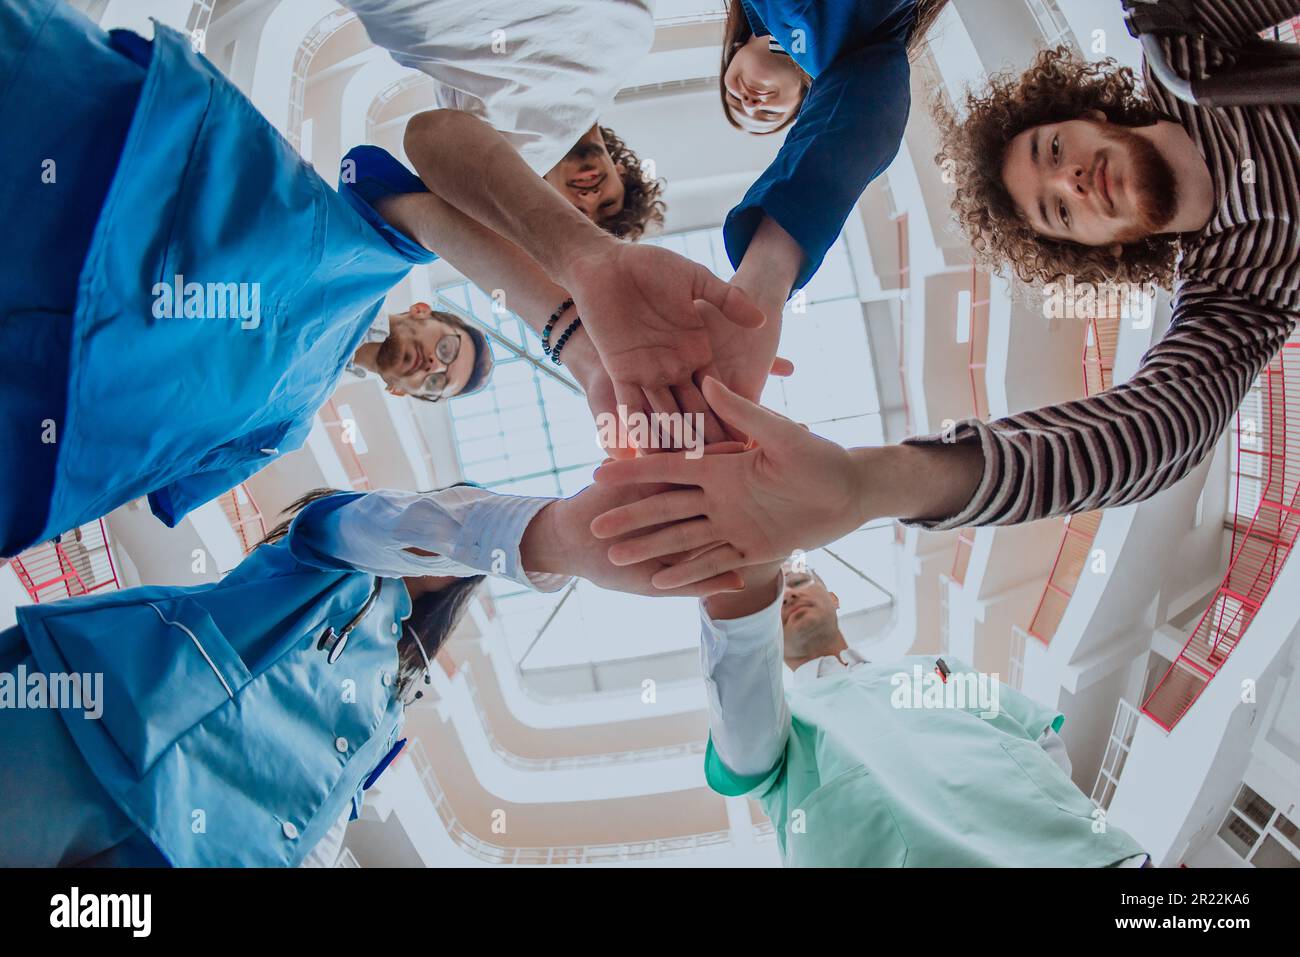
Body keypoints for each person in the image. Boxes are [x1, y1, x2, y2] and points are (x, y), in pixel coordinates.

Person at [584, 0, 1300, 585]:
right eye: (1058, 212)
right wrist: (874, 485)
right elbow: (1156, 436)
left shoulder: (1188, 41)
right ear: (1103, 248)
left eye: (1053, 150)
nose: (1070, 180)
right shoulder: (1235, 297)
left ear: (1095, 117)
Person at [0, 479, 745, 867]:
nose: (457, 527)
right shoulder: (335, 540)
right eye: (462, 507)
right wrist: (556, 538)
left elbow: (328, 814)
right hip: (98, 736)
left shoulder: (394, 698)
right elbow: (411, 526)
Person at [0, 0, 506, 558]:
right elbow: (399, 181)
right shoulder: (368, 256)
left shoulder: (287, 424)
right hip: (77, 200)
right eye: (447, 348)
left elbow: (170, 463)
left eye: (437, 383)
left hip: (54, 356)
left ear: (400, 392)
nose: (432, 366)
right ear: (422, 312)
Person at [698, 560, 1150, 866]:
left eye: (797, 583)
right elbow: (743, 736)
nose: (789, 597)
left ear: (834, 598)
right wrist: (746, 586)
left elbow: (1038, 739)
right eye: (774, 599)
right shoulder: (781, 724)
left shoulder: (935, 668)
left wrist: (1052, 824)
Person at [340, 0, 665, 239]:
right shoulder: (627, 53)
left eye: (579, 213)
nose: (591, 198)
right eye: (607, 204)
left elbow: (425, 137)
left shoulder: (511, 153)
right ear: (621, 173)